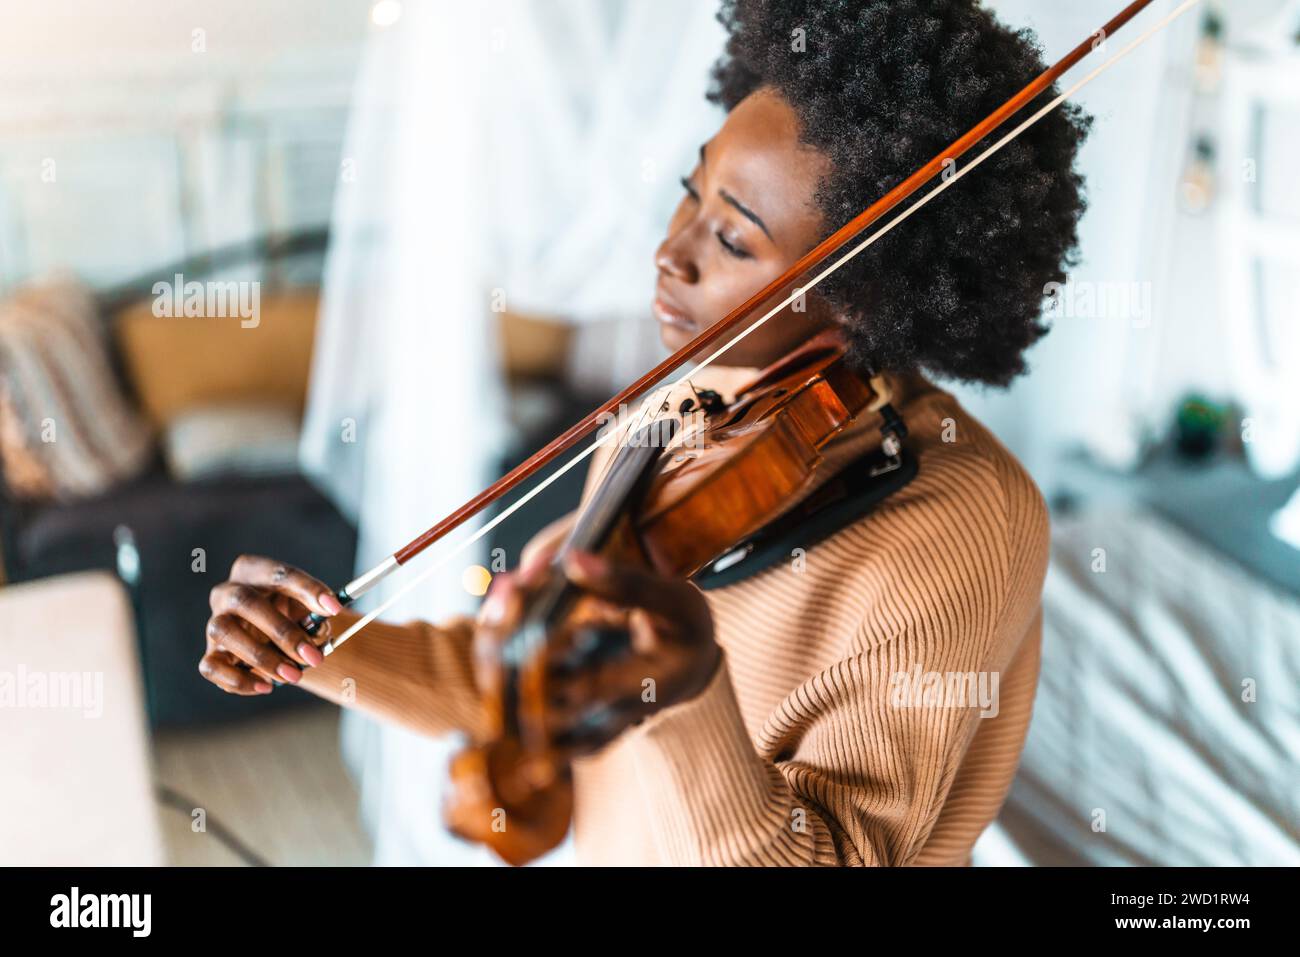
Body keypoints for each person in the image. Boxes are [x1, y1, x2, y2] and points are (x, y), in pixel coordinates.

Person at [198, 0, 1089, 866]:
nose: (671, 252)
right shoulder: (688, 400)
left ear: (866, 292)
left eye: (734, 240)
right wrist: (314, 649)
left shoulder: (968, 524)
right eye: (689, 194)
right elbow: (525, 668)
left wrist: (692, 694)